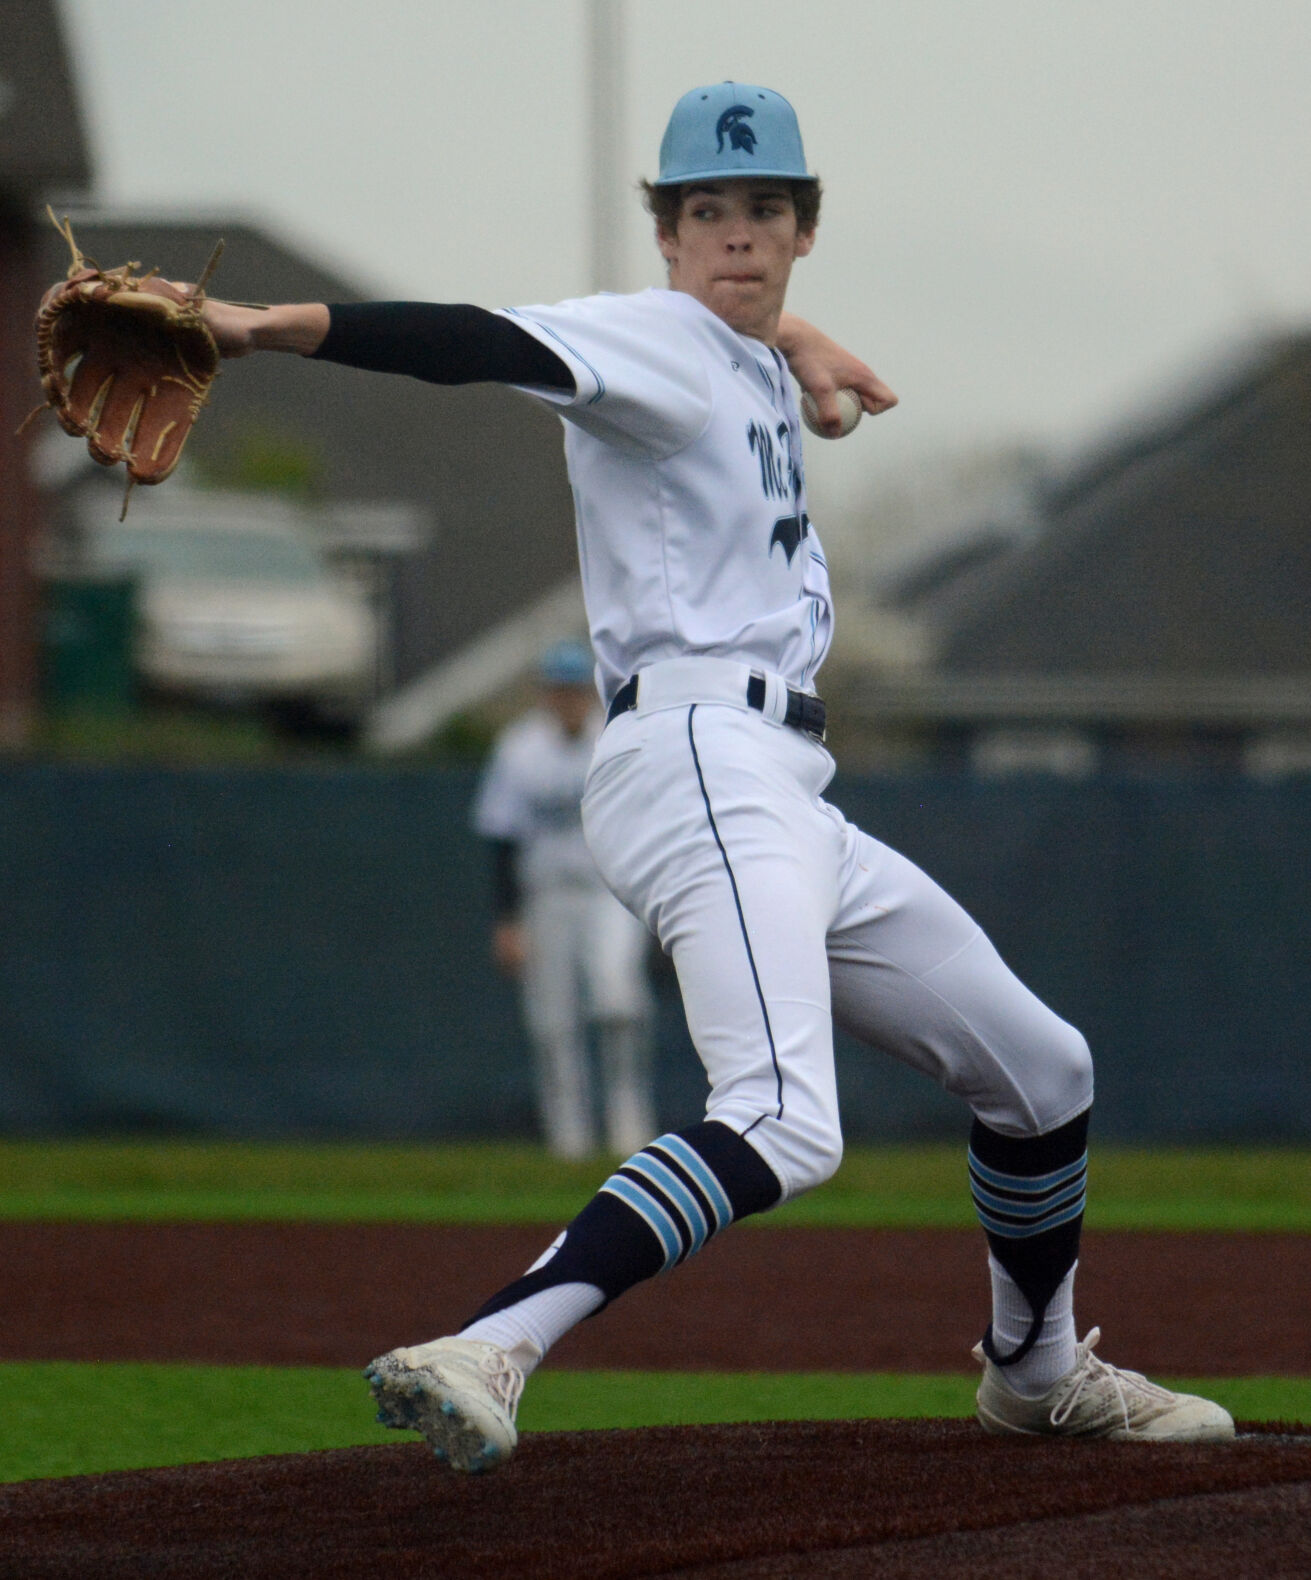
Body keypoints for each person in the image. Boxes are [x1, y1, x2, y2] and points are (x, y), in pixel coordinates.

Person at [200, 81, 1233, 1472]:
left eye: (761, 211)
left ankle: (1036, 1372)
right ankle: (491, 1343)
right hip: (693, 752)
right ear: (667, 234)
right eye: (704, 213)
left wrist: (799, 347)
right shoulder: (651, 336)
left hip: (781, 782)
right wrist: (275, 329)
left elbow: (743, 333)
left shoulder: (743, 349)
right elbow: (475, 340)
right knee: (779, 1121)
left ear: (800, 230)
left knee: (1041, 1071)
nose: (733, 236)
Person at [473, 638, 656, 1160]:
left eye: (576, 688)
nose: (568, 698)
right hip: (546, 894)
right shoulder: (519, 748)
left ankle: (628, 1125)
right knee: (553, 1022)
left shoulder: (618, 739)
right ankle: (569, 1141)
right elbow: (501, 837)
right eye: (559, 689)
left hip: (611, 892)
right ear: (545, 694)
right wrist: (506, 919)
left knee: (618, 1001)